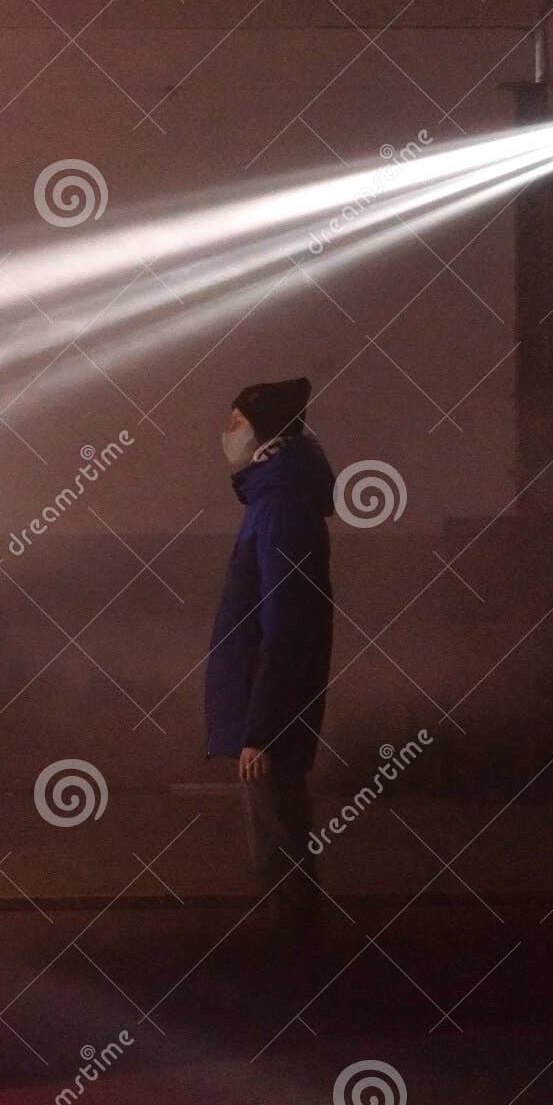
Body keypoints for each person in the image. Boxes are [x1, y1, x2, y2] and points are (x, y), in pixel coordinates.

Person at [205, 376, 335, 915]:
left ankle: (294, 974)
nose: (225, 433)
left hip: (269, 720)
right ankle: (297, 964)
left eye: (236, 422)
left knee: (278, 852)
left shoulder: (278, 505)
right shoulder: (274, 497)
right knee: (282, 840)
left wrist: (260, 730)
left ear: (263, 430)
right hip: (268, 711)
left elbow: (284, 627)